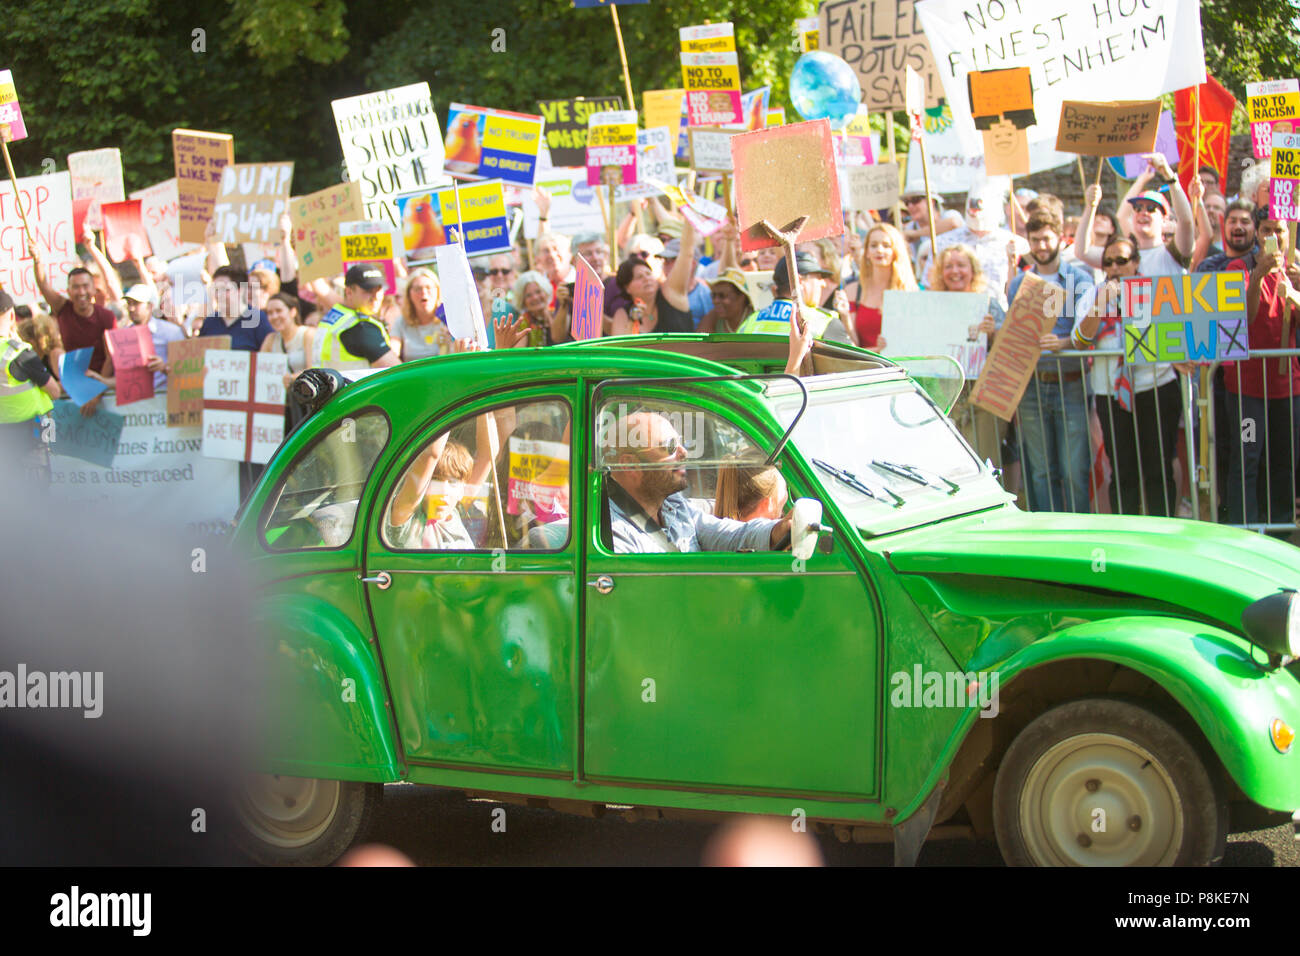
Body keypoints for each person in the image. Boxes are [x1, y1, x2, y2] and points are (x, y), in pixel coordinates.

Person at [1071, 236, 1183, 516]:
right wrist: (1100, 303)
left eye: (1121, 261)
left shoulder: (1157, 291)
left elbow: (1180, 334)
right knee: (1123, 473)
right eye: (1108, 262)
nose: (1114, 267)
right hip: (1112, 393)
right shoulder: (1092, 294)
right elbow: (1079, 341)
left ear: (1135, 262)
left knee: (1158, 468)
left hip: (1156, 387)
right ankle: (1128, 536)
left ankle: (1163, 534)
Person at [604, 410, 792, 553]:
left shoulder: (674, 506)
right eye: (670, 446)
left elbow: (733, 535)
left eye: (681, 442)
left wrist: (778, 530)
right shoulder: (612, 533)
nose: (683, 452)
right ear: (631, 465)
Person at [1007, 211, 1096, 513]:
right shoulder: (1018, 283)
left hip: (1070, 383)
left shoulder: (1080, 280)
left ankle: (1081, 535)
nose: (1041, 245)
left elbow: (1088, 331)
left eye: (1046, 238)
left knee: (1074, 470)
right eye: (1035, 240)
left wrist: (1065, 343)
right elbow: (1013, 333)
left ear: (1059, 237)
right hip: (1031, 386)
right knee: (1040, 472)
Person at [1224, 216, 1300, 527]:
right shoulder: (1238, 268)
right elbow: (1246, 317)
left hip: (1287, 388)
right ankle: (1244, 529)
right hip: (1248, 390)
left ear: (1288, 234)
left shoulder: (1295, 271)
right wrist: (1257, 276)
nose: (1272, 235)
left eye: (1278, 230)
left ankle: (1281, 528)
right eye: (1266, 230)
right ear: (1258, 233)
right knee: (1248, 458)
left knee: (1284, 459)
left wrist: (1295, 291)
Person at [927, 245, 1006, 463]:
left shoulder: (989, 305)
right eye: (948, 266)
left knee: (983, 459)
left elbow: (1008, 349)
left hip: (983, 398)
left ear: (972, 270)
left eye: (961, 265)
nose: (955, 271)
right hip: (945, 395)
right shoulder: (930, 306)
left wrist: (992, 334)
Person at [29, 237, 117, 415]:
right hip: (74, 389)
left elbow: (110, 357)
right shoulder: (63, 308)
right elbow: (43, 285)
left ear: (93, 289)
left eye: (85, 286)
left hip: (104, 389)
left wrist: (96, 394)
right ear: (68, 291)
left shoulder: (107, 317)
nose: (81, 292)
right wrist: (37, 260)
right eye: (76, 287)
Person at [1078, 154, 1197, 279]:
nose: (1143, 212)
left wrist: (1170, 177)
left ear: (1165, 220)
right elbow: (1082, 252)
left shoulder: (1174, 253)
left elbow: (1186, 222)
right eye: (1137, 208)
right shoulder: (1121, 258)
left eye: (1151, 208)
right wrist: (1090, 206)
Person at [931, 185, 1029, 309]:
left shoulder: (1017, 244)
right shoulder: (942, 242)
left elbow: (1021, 293)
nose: (955, 271)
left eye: (960, 265)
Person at [737, 252, 853, 344]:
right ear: (799, 281)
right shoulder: (824, 322)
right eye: (817, 277)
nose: (823, 284)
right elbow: (855, 366)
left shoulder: (750, 321)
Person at [610, 218, 699, 336]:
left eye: (648, 274)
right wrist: (632, 322)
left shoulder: (671, 293)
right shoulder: (623, 315)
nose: (646, 279)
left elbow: (686, 253)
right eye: (639, 277)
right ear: (627, 288)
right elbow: (620, 351)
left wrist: (689, 217)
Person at [0, 289, 61, 457]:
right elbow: (54, 392)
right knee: (40, 481)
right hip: (32, 433)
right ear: (12, 315)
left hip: (4, 435)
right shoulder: (18, 352)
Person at [313, 265, 399, 372]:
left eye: (379, 289)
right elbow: (396, 371)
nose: (376, 296)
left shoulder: (336, 314)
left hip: (331, 385)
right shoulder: (359, 326)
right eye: (368, 291)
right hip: (355, 387)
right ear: (349, 292)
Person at [98, 285, 183, 393]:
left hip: (163, 399)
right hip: (134, 402)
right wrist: (100, 381)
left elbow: (186, 369)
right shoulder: (123, 335)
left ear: (150, 306)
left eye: (136, 304)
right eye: (129, 303)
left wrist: (164, 367)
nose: (131, 308)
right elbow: (122, 378)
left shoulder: (171, 332)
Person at [844, 223, 916, 349]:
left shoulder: (909, 293)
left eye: (886, 245)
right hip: (866, 366)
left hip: (900, 364)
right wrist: (844, 315)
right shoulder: (853, 291)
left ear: (895, 251)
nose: (879, 250)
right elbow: (852, 348)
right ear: (866, 252)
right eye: (873, 245)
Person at [198, 265, 273, 351]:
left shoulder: (259, 320)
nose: (219, 295)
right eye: (216, 290)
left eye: (225, 290)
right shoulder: (210, 322)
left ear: (240, 290)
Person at [392, 267, 453, 360]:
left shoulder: (449, 319)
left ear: (438, 291)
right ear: (409, 294)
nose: (424, 293)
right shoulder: (401, 323)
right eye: (417, 289)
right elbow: (392, 353)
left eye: (429, 288)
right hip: (412, 374)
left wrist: (450, 343)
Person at [260, 292, 316, 389]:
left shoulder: (307, 334)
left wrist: (291, 378)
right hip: (278, 397)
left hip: (304, 395)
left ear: (292, 312)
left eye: (279, 311)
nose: (274, 316)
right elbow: (260, 369)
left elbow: (314, 369)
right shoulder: (270, 339)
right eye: (270, 313)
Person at [901, 191, 962, 279]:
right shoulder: (910, 227)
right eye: (907, 203)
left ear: (931, 201)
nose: (910, 206)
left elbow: (954, 223)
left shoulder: (949, 215)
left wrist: (916, 234)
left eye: (915, 200)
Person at [713, 460, 787, 522]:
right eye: (785, 488)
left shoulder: (715, 530)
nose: (786, 497)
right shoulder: (764, 538)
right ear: (766, 504)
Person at [510, 270, 567, 346]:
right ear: (523, 301)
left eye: (538, 292)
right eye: (528, 295)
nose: (535, 298)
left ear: (546, 292)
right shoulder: (524, 321)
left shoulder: (556, 312)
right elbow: (519, 352)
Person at [696, 268, 753, 334]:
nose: (715, 301)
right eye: (713, 295)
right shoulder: (713, 316)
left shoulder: (755, 317)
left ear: (742, 297)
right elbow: (700, 342)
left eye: (722, 296)